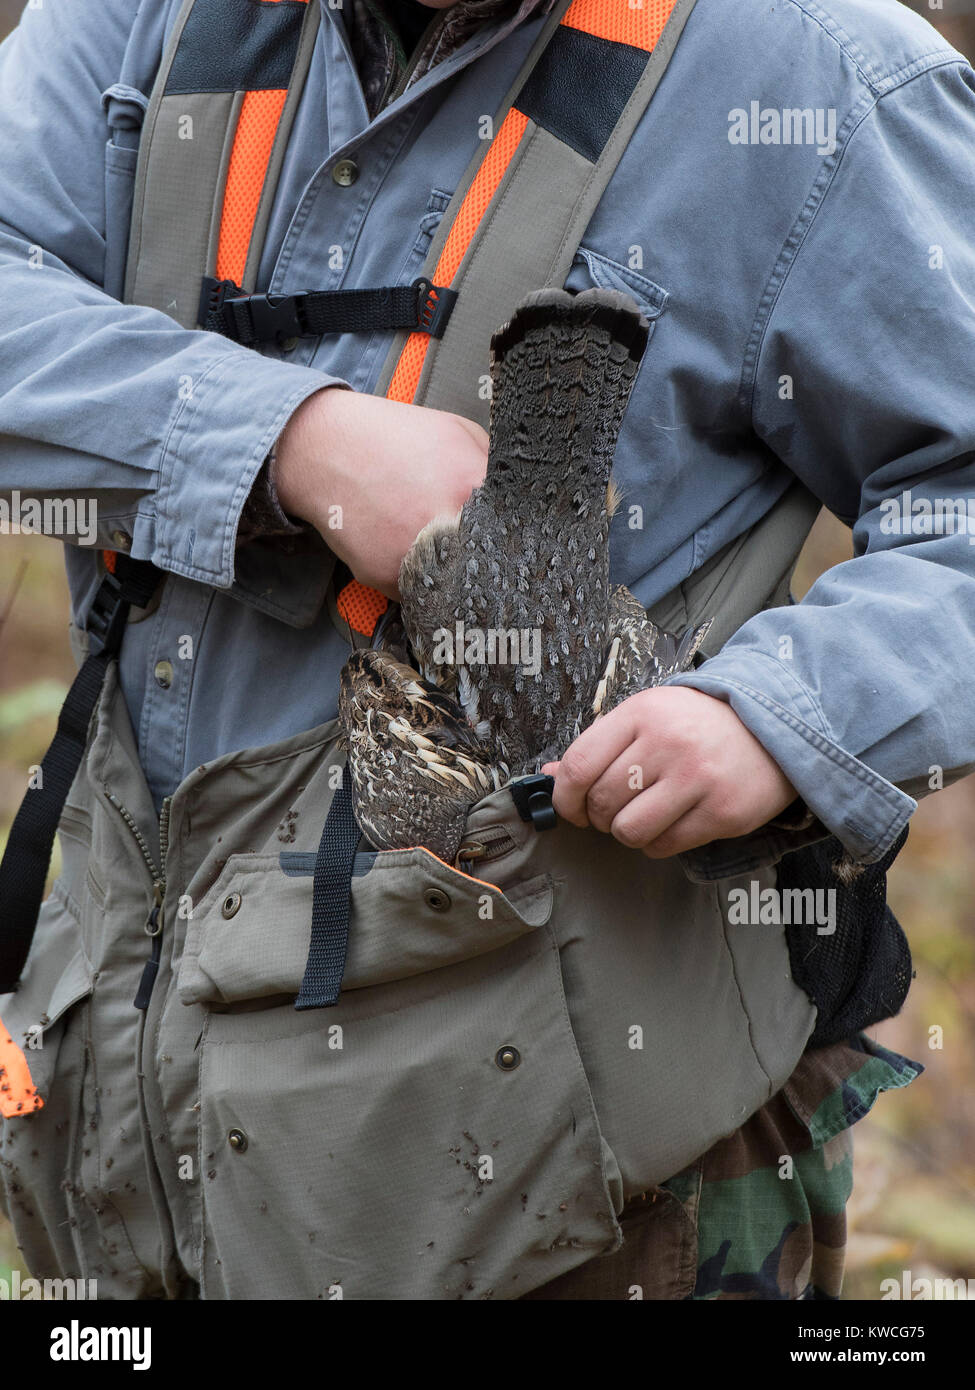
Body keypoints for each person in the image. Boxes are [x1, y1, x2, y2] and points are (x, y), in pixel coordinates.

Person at [0, 0, 971, 1300]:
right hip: (119, 1164)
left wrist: (782, 720)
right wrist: (300, 443)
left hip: (582, 1210)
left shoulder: (825, 76)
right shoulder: (131, 19)